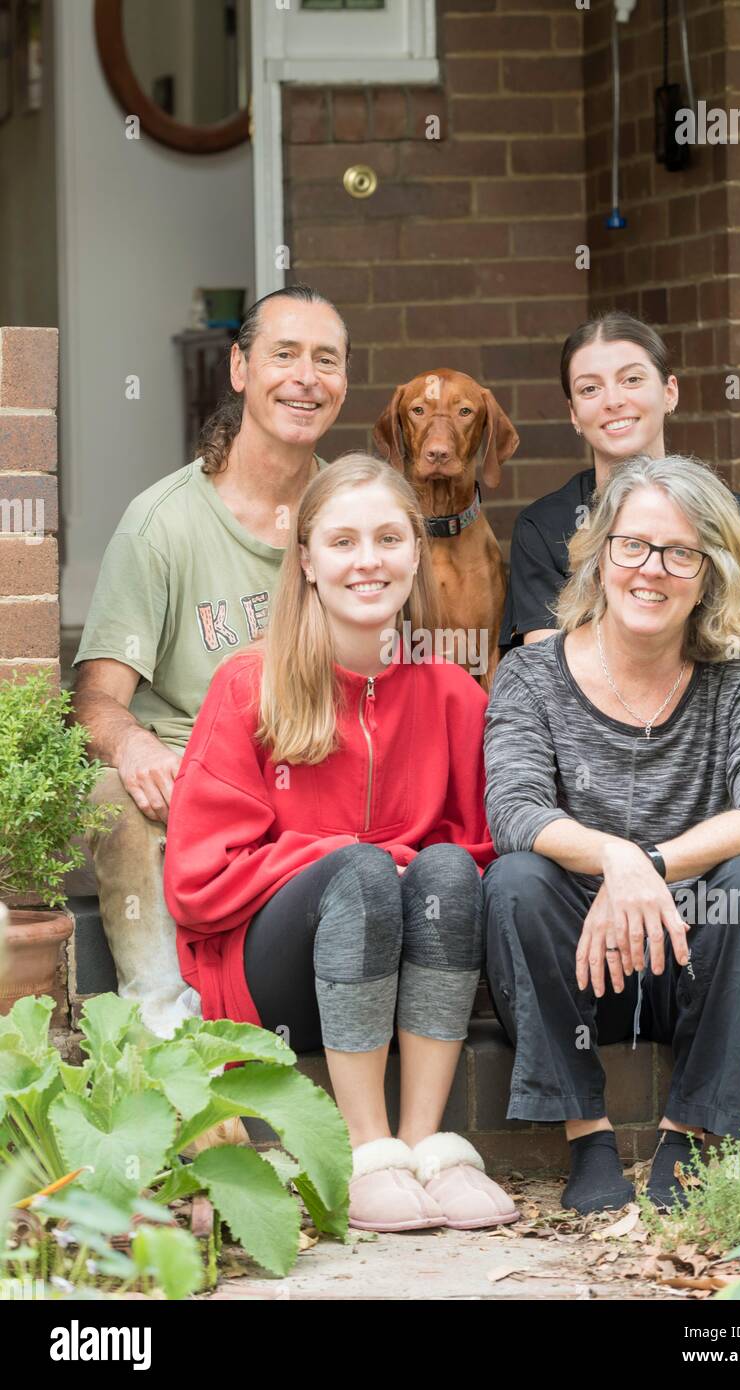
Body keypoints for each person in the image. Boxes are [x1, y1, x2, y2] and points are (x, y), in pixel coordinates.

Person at [162, 454, 520, 1234]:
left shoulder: (454, 694)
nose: (368, 561)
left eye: (389, 539)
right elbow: (196, 882)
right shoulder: (248, 685)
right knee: (359, 870)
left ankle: (425, 1146)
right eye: (343, 541)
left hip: (406, 965)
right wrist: (342, 856)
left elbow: (486, 857)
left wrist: (408, 870)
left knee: (447, 868)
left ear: (415, 555)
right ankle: (365, 1155)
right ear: (306, 561)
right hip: (274, 974)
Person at [499, 310, 740, 1031]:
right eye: (590, 388)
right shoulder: (545, 525)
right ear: (572, 412)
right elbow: (557, 673)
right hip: (602, 753)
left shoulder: (736, 518)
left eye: (631, 379)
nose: (613, 400)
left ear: (669, 391)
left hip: (701, 729)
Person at [483, 454, 740, 1215]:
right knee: (516, 882)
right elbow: (514, 810)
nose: (651, 569)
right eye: (632, 545)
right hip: (582, 962)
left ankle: (688, 1135)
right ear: (599, 555)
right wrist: (616, 860)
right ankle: (588, 1138)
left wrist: (651, 866)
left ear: (710, 573)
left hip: (699, 958)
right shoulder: (531, 676)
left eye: (679, 553)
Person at [71, 284, 348, 1040]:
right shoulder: (161, 524)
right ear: (239, 368)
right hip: (190, 777)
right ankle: (165, 1032)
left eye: (326, 360)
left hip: (304, 766)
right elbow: (92, 699)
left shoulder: (349, 517)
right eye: (284, 354)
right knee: (113, 790)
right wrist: (134, 746)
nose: (306, 377)